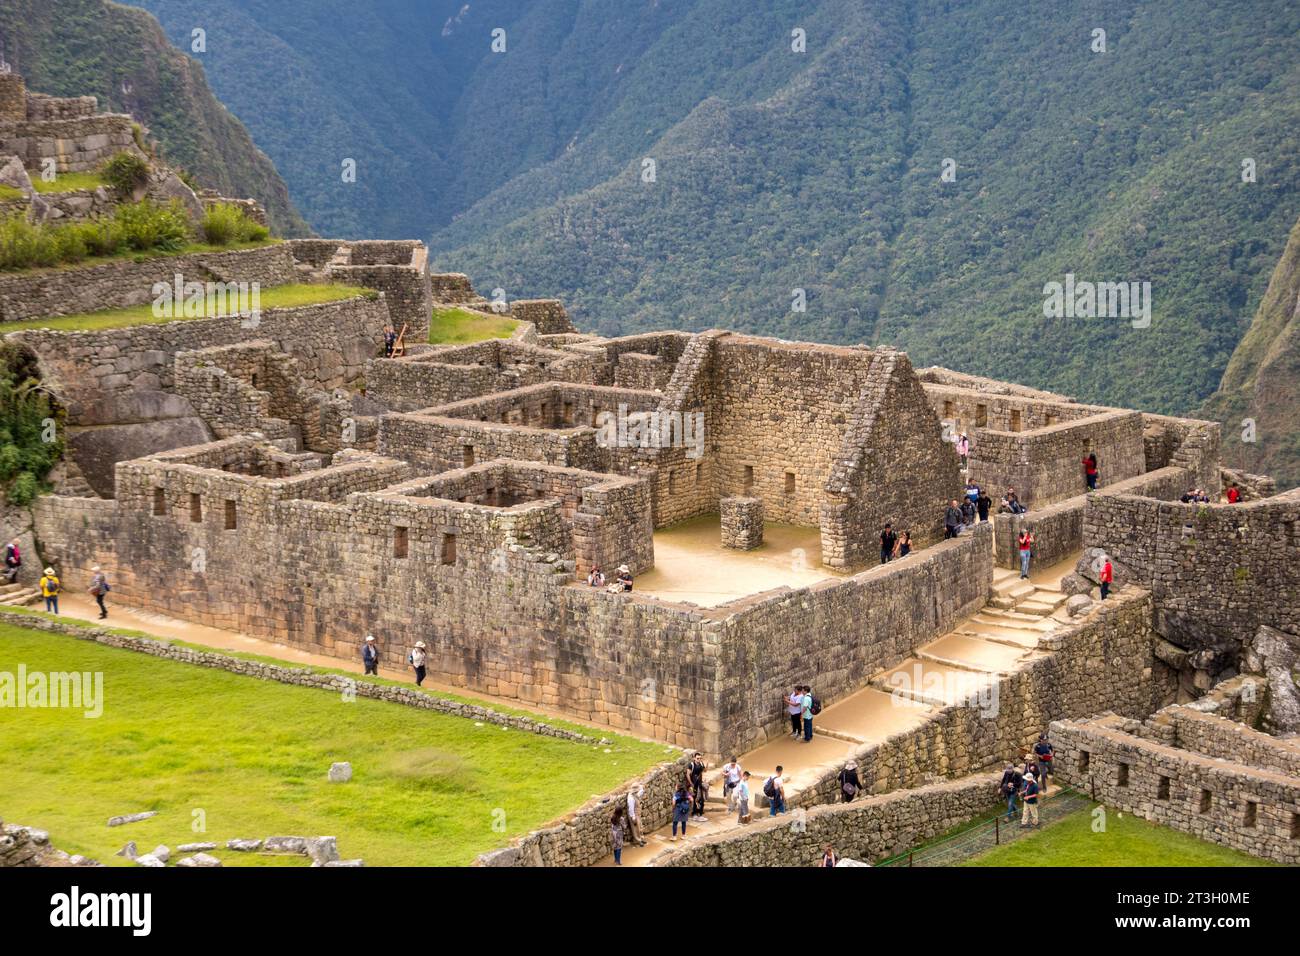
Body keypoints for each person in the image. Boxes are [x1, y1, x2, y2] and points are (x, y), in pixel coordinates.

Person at [688, 751, 707, 819]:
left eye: (700, 758)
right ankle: (694, 813)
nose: (699, 760)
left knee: (701, 798)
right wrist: (691, 783)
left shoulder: (701, 764)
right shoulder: (691, 765)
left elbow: (705, 770)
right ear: (694, 758)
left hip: (699, 784)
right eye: (697, 758)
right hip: (694, 784)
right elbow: (688, 774)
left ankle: (700, 812)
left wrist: (706, 765)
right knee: (694, 798)